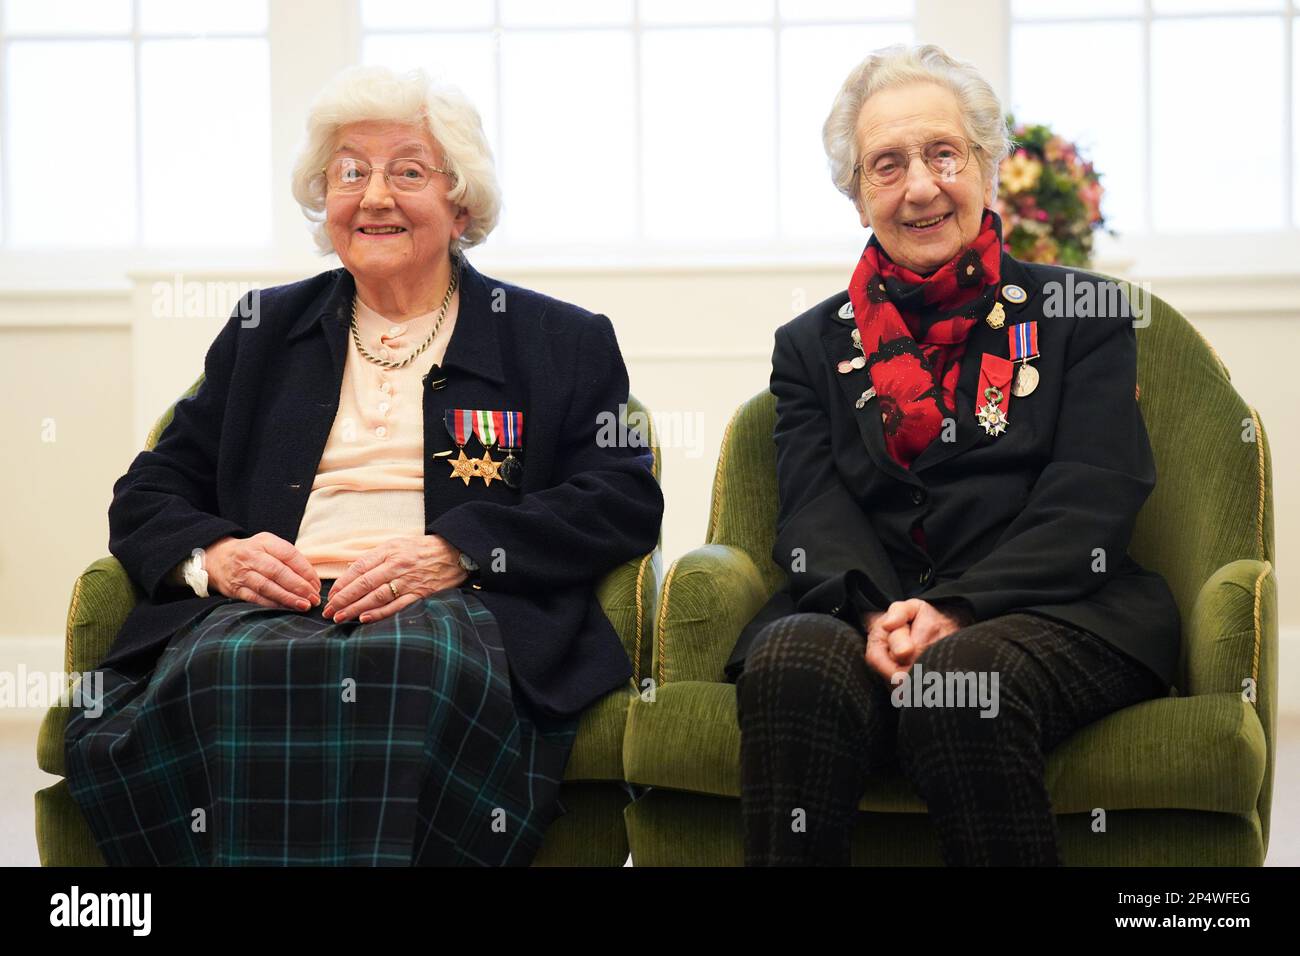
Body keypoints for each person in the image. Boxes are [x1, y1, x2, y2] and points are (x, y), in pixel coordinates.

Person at [64, 65, 662, 866]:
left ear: (462, 202)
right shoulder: (262, 329)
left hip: (456, 608)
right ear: (326, 197)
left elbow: (621, 496)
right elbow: (149, 489)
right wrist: (215, 558)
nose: (374, 196)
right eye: (350, 171)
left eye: (407, 171)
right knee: (232, 665)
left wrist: (457, 550)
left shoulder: (558, 339)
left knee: (405, 665)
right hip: (271, 603)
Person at [728, 44, 1179, 866]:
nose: (921, 186)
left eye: (943, 154)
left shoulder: (1082, 313)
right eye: (887, 165)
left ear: (986, 166)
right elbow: (813, 506)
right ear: (859, 196)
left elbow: (1095, 495)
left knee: (957, 681)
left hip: (1057, 609)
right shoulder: (808, 346)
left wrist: (958, 608)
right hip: (874, 604)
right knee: (789, 658)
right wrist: (875, 612)